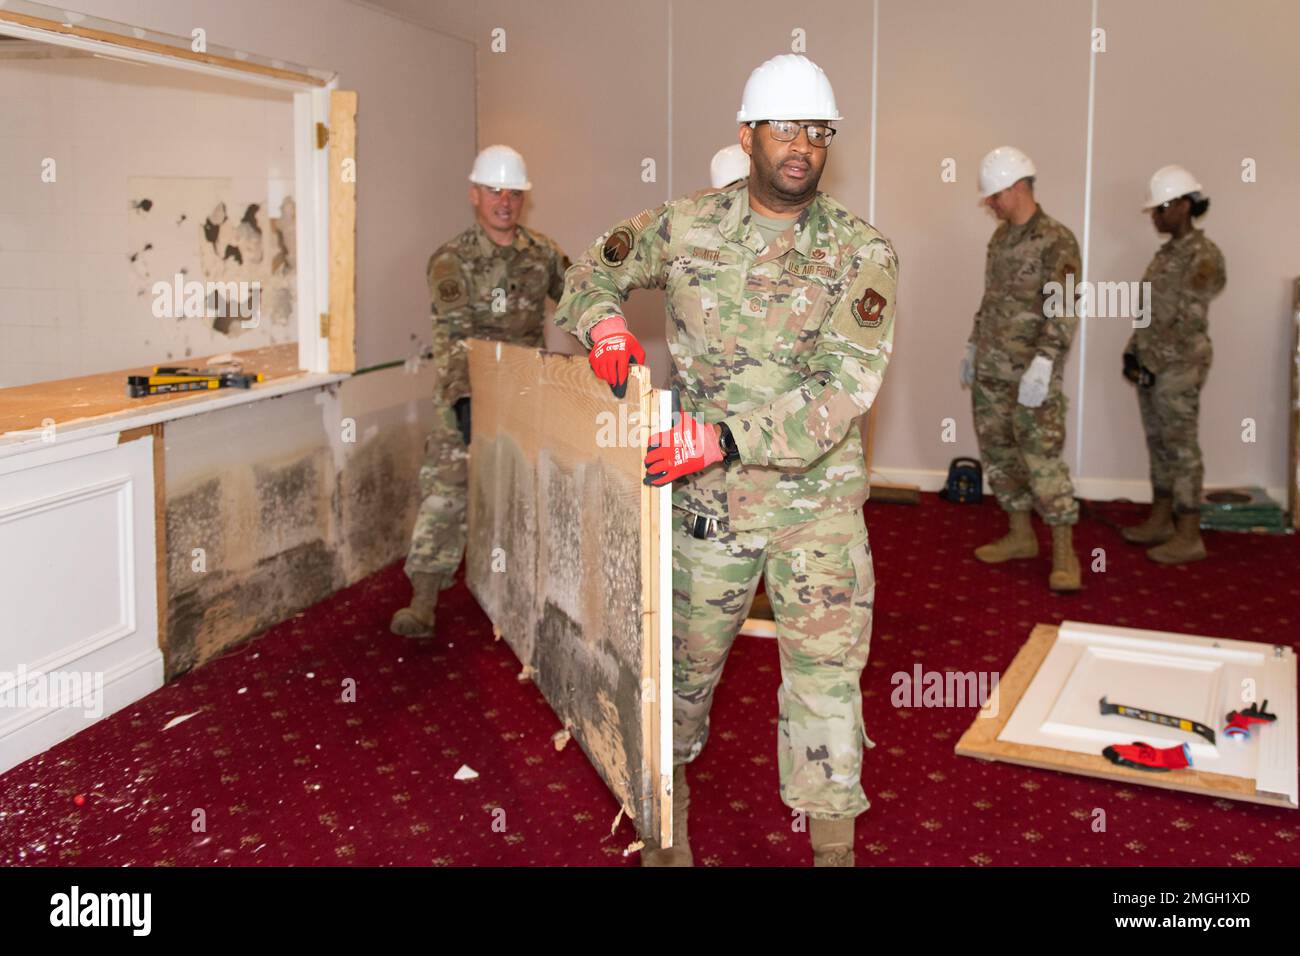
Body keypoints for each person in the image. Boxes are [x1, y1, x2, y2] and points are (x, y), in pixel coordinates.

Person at [556, 54, 897, 867]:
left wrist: (727, 435)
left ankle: (833, 853)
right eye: (785, 128)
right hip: (709, 509)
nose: (802, 146)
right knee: (676, 681)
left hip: (816, 508)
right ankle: (668, 840)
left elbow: (846, 388)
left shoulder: (861, 249)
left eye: (818, 132)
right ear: (746, 134)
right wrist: (603, 325)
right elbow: (587, 271)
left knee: (826, 690)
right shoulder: (684, 227)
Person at [391, 145, 570, 637]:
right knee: (446, 493)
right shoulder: (451, 260)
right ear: (475, 195)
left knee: (525, 494)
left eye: (514, 192)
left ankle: (521, 592)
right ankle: (424, 598)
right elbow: (454, 336)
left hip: (526, 396)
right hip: (465, 394)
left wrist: (607, 339)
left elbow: (577, 300)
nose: (505, 202)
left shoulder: (544, 254)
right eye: (495, 191)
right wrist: (466, 399)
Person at [961, 146, 1082, 591]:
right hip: (993, 368)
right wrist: (975, 345)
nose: (989, 203)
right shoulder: (1000, 239)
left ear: (1017, 188)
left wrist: (1046, 361)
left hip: (1033, 373)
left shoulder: (1057, 240)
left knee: (1042, 459)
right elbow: (991, 299)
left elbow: (1064, 306)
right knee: (999, 454)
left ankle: (1066, 555)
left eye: (994, 195)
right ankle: (1020, 535)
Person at [1121, 165, 1225, 563]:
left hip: (1180, 366)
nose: (1156, 217)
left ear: (1185, 205)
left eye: (1161, 208)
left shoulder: (1204, 257)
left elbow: (1187, 321)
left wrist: (1155, 362)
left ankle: (1189, 532)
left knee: (1181, 448)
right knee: (1158, 443)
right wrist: (1134, 351)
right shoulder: (1165, 255)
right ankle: (1162, 518)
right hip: (1155, 365)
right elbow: (1150, 313)